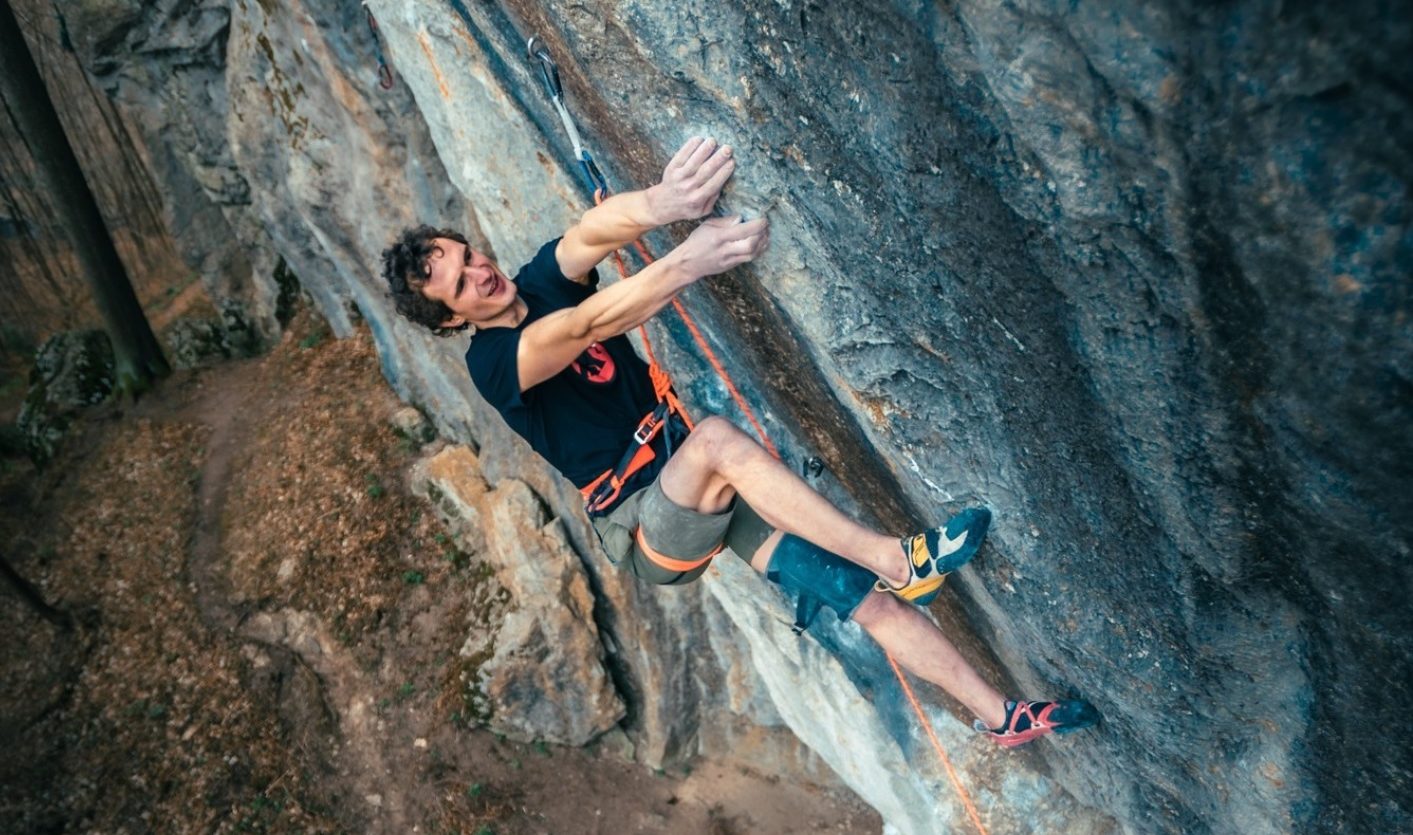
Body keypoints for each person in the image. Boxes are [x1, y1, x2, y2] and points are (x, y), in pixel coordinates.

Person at [380, 137, 1097, 747]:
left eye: (468, 255)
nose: (480, 272)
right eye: (460, 285)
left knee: (860, 599)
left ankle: (1002, 716)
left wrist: (663, 202)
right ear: (452, 322)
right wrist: (687, 261)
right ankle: (896, 558)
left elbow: (591, 234)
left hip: (701, 491)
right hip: (646, 523)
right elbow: (583, 327)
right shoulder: (492, 364)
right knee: (718, 441)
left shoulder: (536, 282)